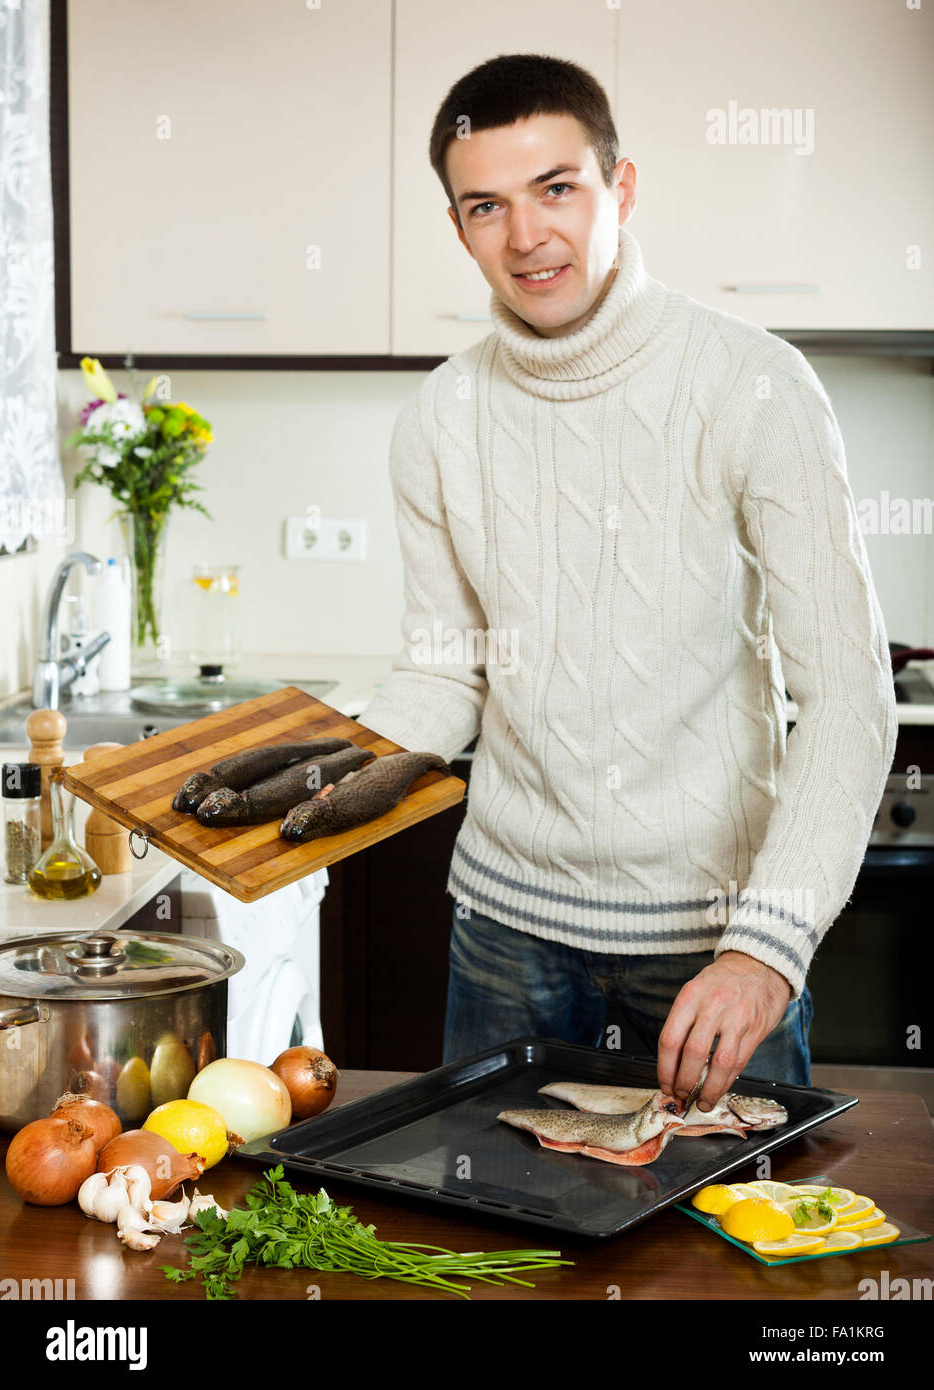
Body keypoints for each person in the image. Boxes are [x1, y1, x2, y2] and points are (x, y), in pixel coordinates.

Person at [359, 54, 896, 1113]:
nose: (524, 236)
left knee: (728, 1265)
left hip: (712, 943)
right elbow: (441, 678)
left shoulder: (753, 384)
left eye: (555, 188)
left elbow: (847, 697)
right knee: (496, 1259)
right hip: (502, 937)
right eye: (485, 206)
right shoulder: (436, 416)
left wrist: (764, 950)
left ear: (622, 187)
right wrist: (324, 768)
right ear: (458, 224)